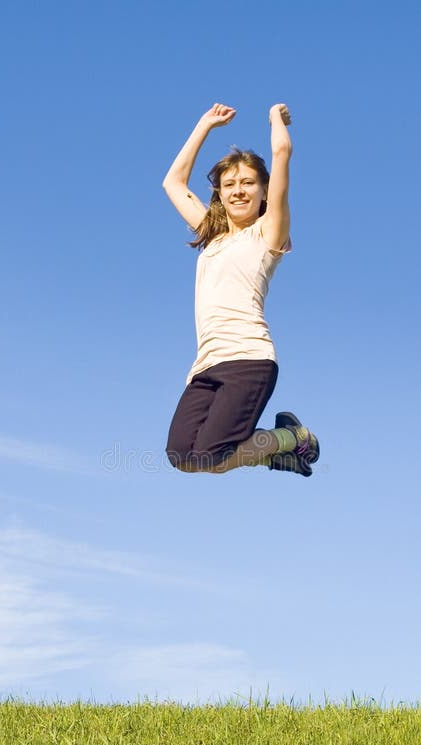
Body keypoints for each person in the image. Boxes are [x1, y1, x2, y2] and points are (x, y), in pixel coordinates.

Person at [163, 102, 319, 477]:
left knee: (210, 459)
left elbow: (281, 153)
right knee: (182, 457)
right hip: (205, 365)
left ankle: (291, 438)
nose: (237, 191)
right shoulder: (211, 235)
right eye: (229, 185)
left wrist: (276, 121)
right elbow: (173, 183)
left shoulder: (268, 234)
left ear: (264, 192)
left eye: (248, 183)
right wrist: (203, 125)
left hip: (248, 359)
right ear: (219, 194)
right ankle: (274, 449)